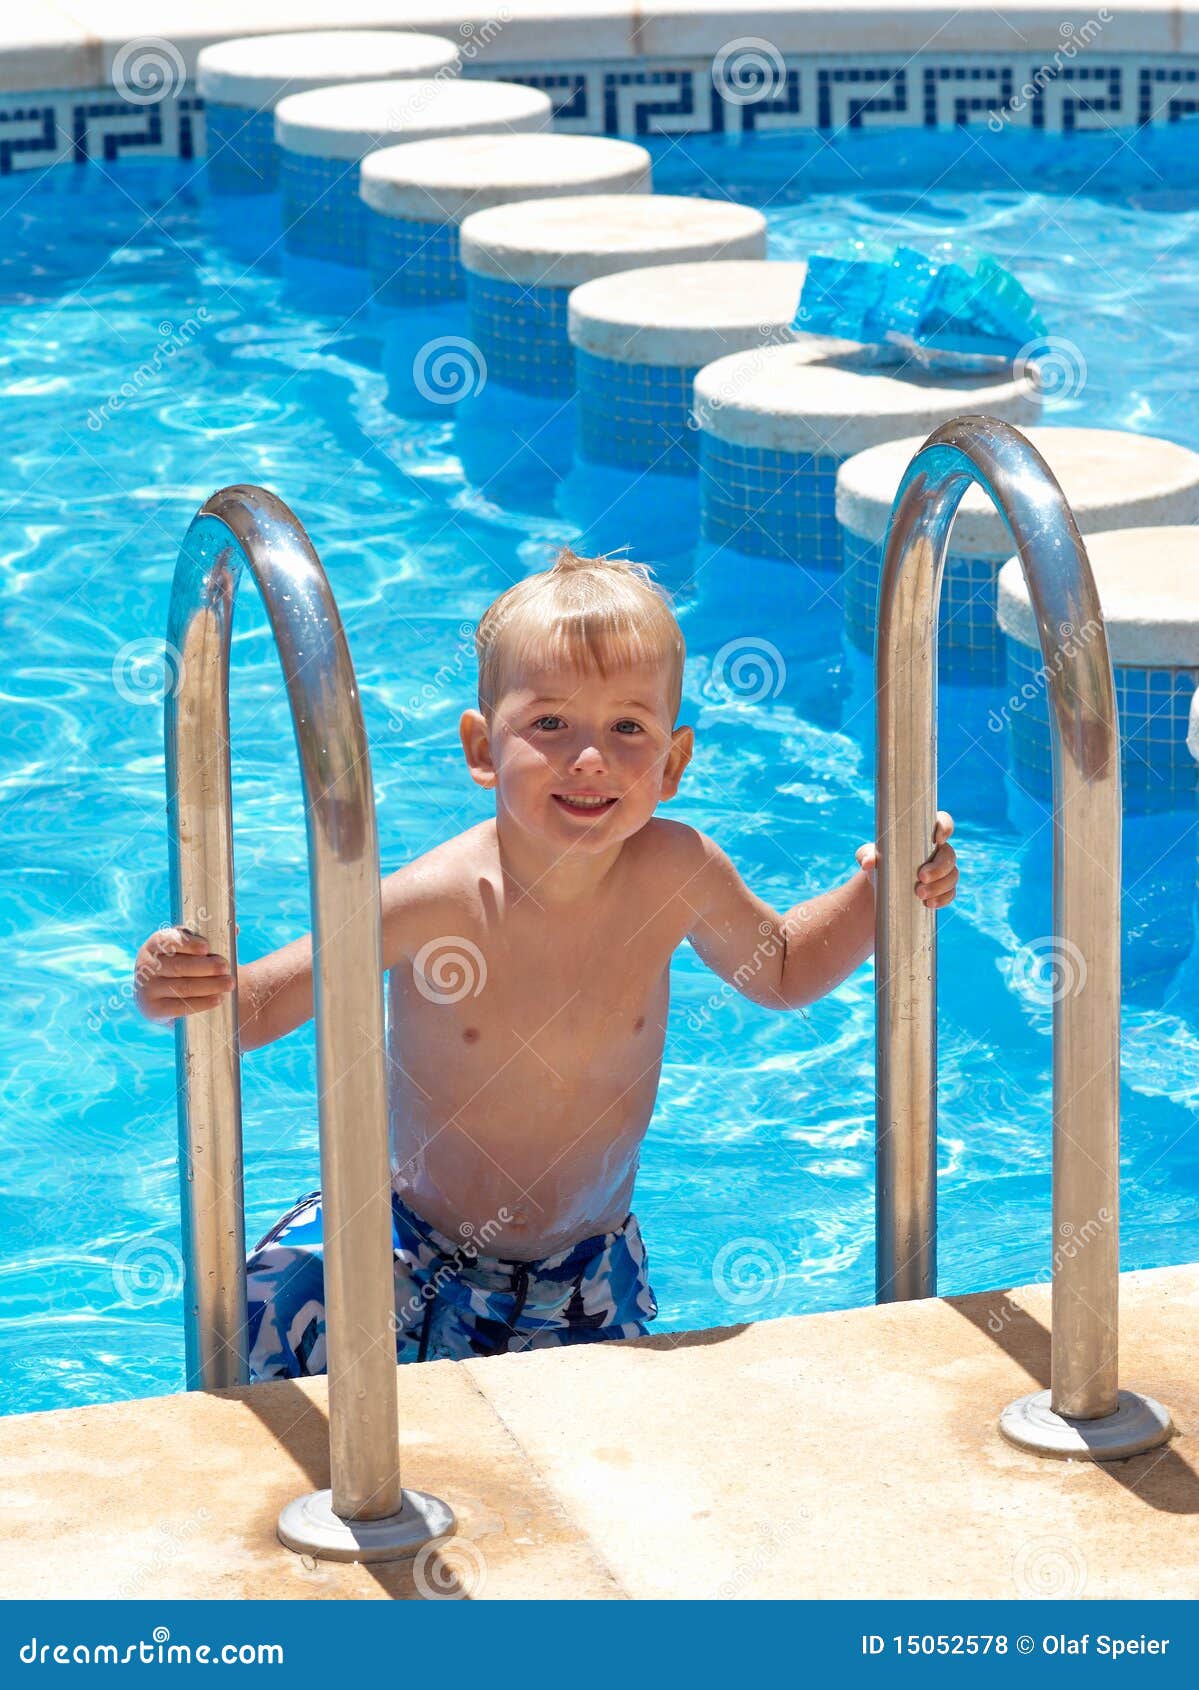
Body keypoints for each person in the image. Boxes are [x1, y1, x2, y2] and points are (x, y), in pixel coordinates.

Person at [133, 548, 958, 1377]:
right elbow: (252, 1014)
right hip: (410, 1262)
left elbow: (781, 971)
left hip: (584, 1272)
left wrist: (879, 892)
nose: (589, 758)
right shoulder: (438, 899)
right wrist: (177, 982)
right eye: (550, 724)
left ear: (672, 765)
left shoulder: (677, 873)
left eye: (626, 728)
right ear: (482, 748)